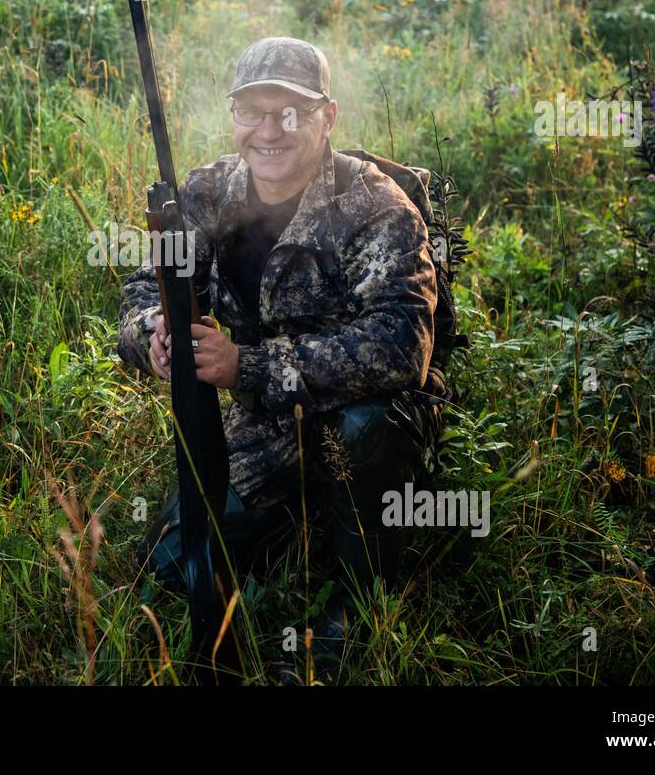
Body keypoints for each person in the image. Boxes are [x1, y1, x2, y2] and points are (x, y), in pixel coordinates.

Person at [117, 36, 447, 677]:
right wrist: (156, 332)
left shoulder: (377, 207)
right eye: (253, 111)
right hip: (267, 421)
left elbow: (401, 346)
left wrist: (248, 366)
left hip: (367, 415)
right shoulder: (206, 193)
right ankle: (305, 510)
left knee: (367, 429)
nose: (269, 131)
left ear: (328, 117)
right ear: (234, 115)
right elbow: (141, 291)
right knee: (169, 567)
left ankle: (357, 601)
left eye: (291, 112)